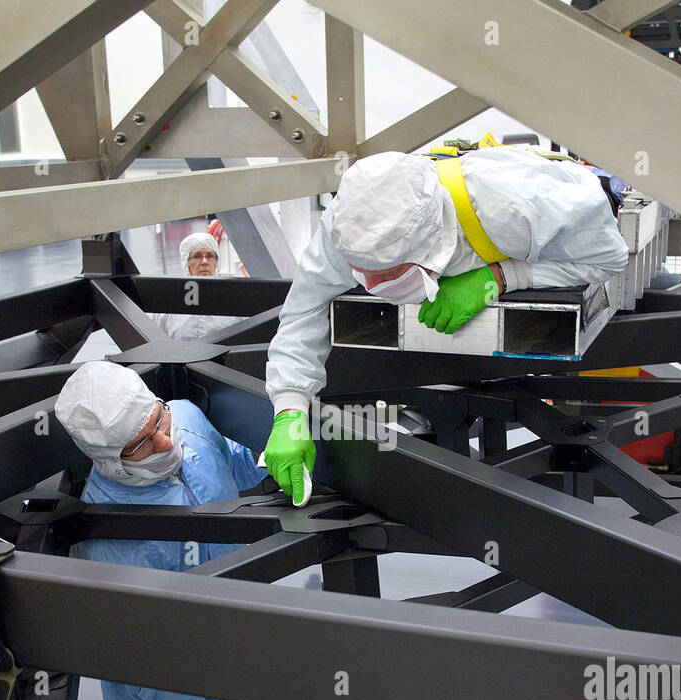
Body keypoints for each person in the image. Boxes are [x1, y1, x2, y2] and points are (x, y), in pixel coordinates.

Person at [261, 146, 631, 504]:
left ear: (431, 246)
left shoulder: (514, 211)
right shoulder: (349, 225)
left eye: (386, 273)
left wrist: (503, 276)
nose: (370, 287)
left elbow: (607, 259)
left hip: (559, 182)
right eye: (361, 273)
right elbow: (304, 309)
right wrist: (290, 408)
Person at [54, 360, 300, 700]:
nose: (165, 442)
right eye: (141, 444)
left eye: (158, 422)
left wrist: (274, 456)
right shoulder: (112, 543)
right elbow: (165, 676)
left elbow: (227, 457)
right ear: (110, 461)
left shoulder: (182, 418)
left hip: (244, 689)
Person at [149, 230, 241, 341]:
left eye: (210, 256)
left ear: (217, 262)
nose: (204, 261)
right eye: (197, 256)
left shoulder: (232, 300)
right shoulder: (169, 304)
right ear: (186, 262)